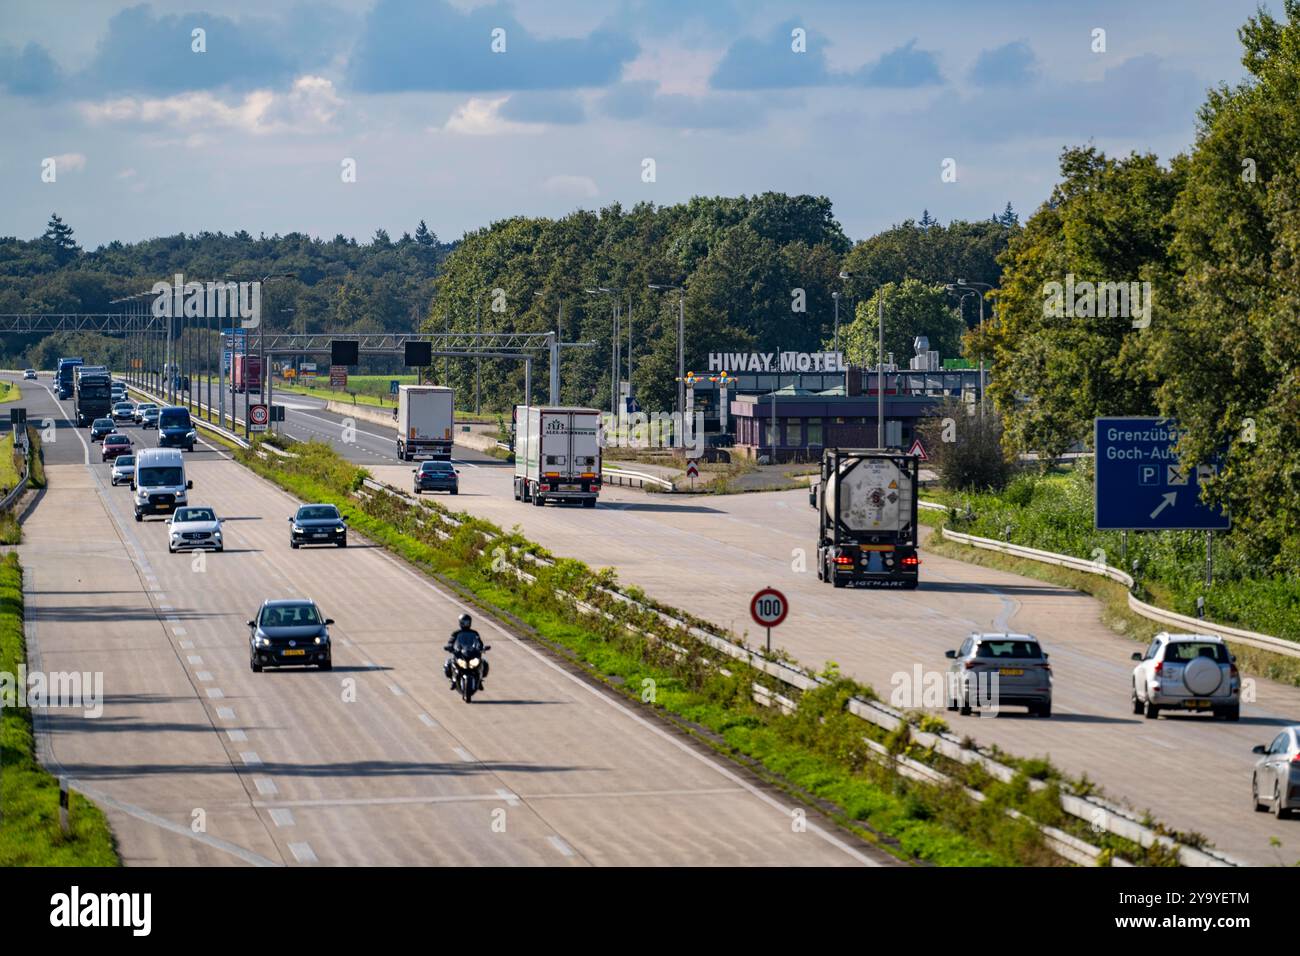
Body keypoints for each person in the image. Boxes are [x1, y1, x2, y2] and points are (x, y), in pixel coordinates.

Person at [444, 613, 488, 688]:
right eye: (464, 622)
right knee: (448, 663)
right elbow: (451, 641)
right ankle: (453, 680)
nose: (466, 624)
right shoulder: (456, 633)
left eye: (467, 622)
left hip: (472, 652)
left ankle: (480, 680)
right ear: (460, 623)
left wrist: (482, 648)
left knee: (484, 663)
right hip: (460, 653)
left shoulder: (474, 633)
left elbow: (479, 642)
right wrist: (450, 647)